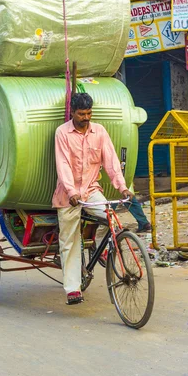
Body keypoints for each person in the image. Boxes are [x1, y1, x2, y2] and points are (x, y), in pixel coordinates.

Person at [52, 92, 133, 305]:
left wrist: (122, 187)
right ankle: (72, 289)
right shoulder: (62, 132)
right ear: (72, 113)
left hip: (91, 190)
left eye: (89, 113)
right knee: (69, 241)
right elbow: (63, 165)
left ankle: (100, 248)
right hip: (68, 195)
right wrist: (71, 192)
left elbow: (111, 162)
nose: (86, 118)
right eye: (81, 114)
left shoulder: (99, 131)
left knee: (112, 219)